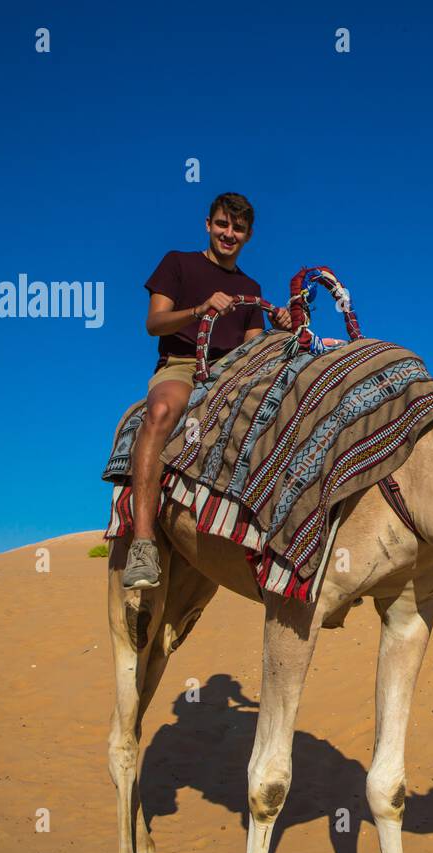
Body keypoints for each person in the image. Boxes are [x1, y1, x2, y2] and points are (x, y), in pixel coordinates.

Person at [122, 192, 287, 589]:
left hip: (233, 374)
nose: (229, 234)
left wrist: (278, 329)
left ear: (248, 236)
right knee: (160, 413)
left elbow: (251, 349)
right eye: (222, 224)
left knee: (282, 417)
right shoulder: (177, 263)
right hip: (182, 367)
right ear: (208, 224)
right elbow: (155, 323)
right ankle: (142, 545)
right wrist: (200, 310)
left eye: (238, 229)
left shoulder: (250, 286)